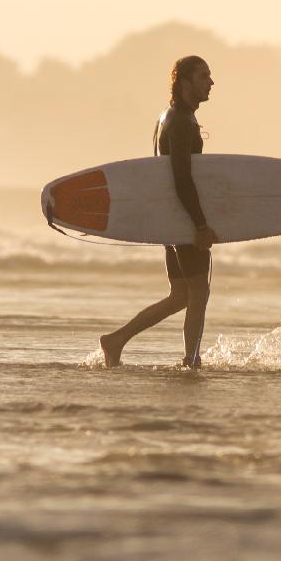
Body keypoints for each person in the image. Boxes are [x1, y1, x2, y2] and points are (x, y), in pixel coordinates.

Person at [100, 56, 218, 368]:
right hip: (182, 217)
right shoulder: (179, 123)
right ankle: (191, 360)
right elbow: (181, 177)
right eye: (204, 76)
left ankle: (116, 340)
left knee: (181, 294)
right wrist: (200, 224)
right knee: (199, 292)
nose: (211, 82)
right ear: (184, 81)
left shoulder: (168, 117)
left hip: (170, 217)